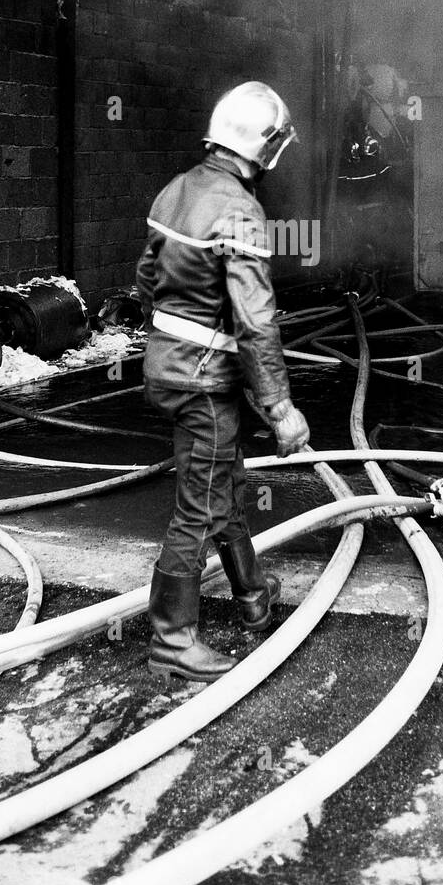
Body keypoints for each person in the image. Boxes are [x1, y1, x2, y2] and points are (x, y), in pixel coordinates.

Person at [136, 81, 310, 683]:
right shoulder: (240, 210)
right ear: (264, 146)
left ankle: (251, 594)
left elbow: (145, 278)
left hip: (167, 366)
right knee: (199, 505)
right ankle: (172, 641)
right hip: (204, 382)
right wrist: (280, 407)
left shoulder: (174, 191)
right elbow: (255, 320)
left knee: (223, 479)